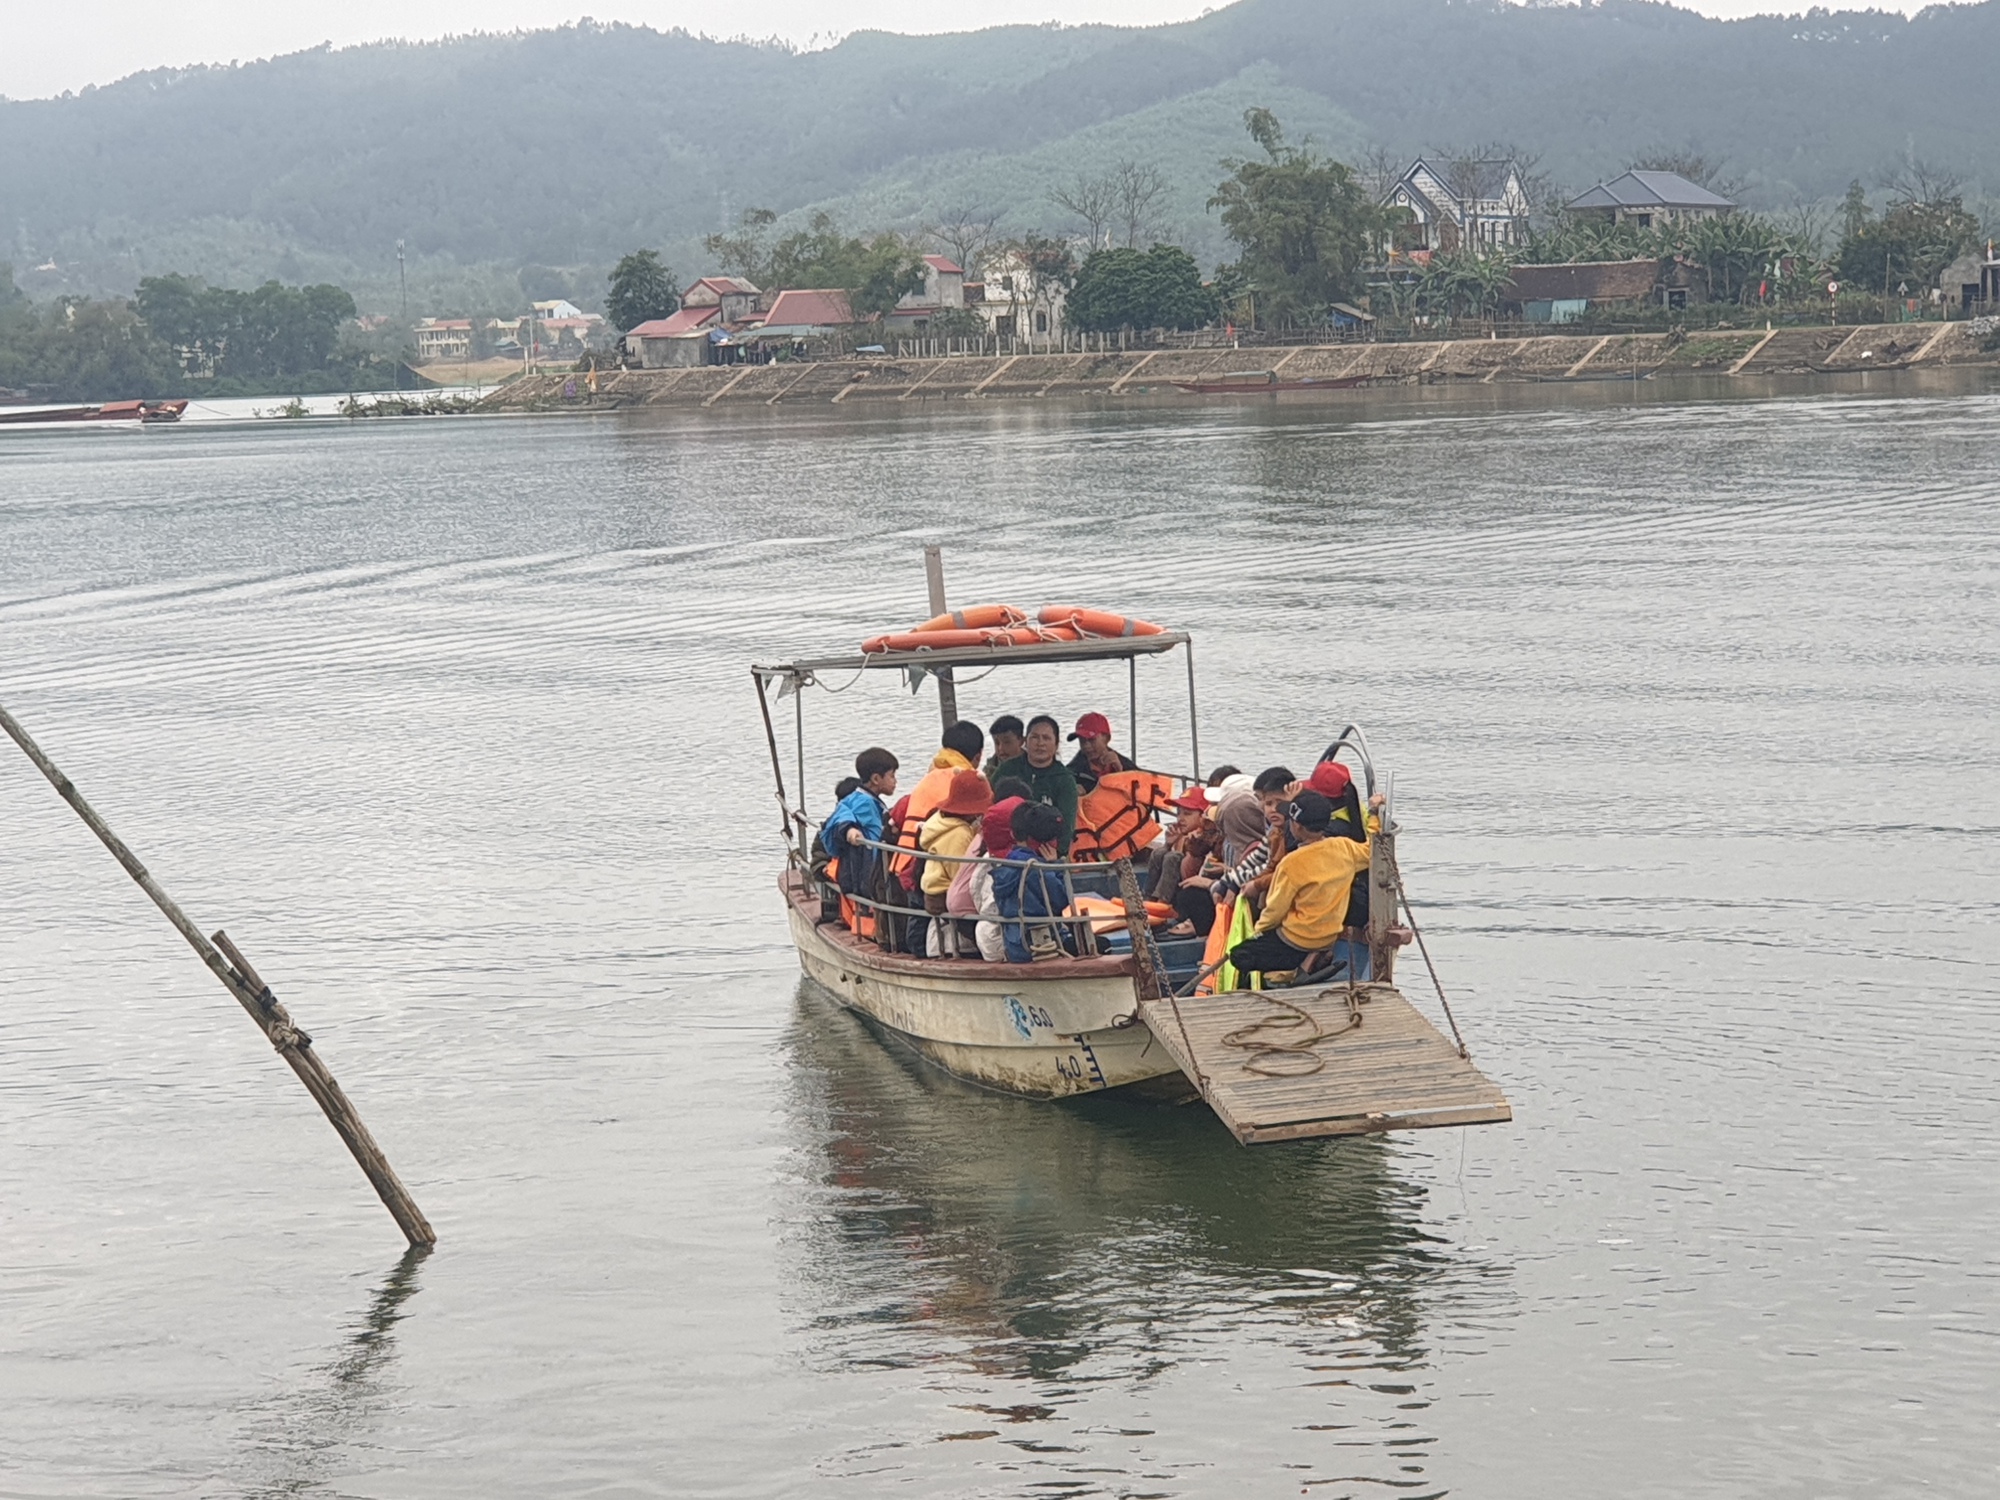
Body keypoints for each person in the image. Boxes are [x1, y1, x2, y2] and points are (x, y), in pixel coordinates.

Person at [1227, 790, 1373, 978]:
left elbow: (1275, 910)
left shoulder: (1291, 863)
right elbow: (1372, 850)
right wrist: (1375, 815)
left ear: (1296, 826)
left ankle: (1290, 971)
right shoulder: (1345, 847)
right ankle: (1310, 960)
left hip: (1297, 939)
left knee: (1240, 955)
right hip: (1329, 934)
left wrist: (1259, 931)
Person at [889, 720, 986, 948]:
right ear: (978, 755)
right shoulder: (964, 780)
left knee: (917, 925)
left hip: (908, 860)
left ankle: (915, 952)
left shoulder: (930, 776)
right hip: (929, 864)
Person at [818, 748, 899, 932]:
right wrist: (850, 831)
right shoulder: (864, 802)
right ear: (876, 779)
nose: (895, 781)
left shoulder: (864, 799)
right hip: (869, 869)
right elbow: (842, 818)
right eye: (892, 776)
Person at [919, 770, 991, 958]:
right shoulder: (958, 835)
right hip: (944, 896)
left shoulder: (940, 822)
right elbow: (959, 875)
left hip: (936, 892)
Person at [987, 714, 1080, 855]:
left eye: (1046, 738)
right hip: (1007, 848)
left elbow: (1066, 826)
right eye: (1035, 737)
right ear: (1025, 741)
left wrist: (1058, 854)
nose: (1040, 743)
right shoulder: (1007, 770)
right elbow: (990, 807)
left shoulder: (1064, 780)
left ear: (1056, 744)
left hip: (1046, 852)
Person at [992, 801, 1071, 963]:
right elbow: (1061, 900)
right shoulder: (1038, 871)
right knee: (1102, 944)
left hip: (1015, 945)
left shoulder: (1005, 867)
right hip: (1042, 946)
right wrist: (1054, 866)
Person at [970, 776, 1031, 961]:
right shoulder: (1026, 865)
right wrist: (1054, 865)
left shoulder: (987, 860)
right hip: (1008, 941)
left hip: (985, 934)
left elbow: (974, 889)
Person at [1065, 711, 1132, 792]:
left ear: (1106, 738)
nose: (1086, 745)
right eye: (1082, 740)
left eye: (1091, 739)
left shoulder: (1127, 765)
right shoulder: (1071, 774)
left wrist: (1121, 773)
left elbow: (1143, 792)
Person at [983, 715, 1025, 780]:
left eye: (1007, 742)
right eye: (997, 743)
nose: (1000, 748)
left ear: (1021, 741)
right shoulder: (989, 771)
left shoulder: (1036, 765)